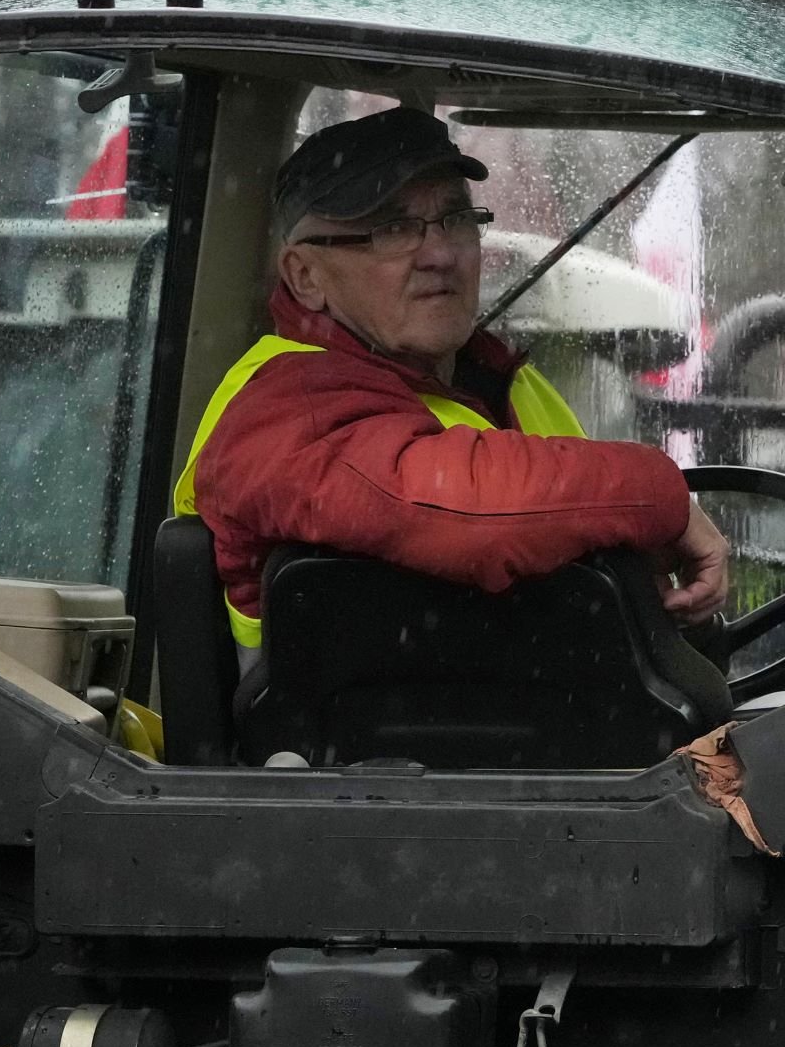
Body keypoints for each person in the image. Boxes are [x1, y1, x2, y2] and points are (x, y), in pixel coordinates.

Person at [174, 106, 727, 662]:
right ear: (305, 276)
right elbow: (474, 519)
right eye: (392, 229)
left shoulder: (506, 381)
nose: (440, 254)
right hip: (359, 722)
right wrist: (658, 498)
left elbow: (565, 531)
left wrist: (632, 553)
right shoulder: (282, 403)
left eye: (456, 219)